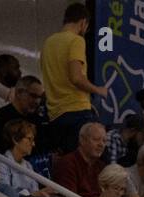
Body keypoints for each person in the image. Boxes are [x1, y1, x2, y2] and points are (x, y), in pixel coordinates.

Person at [40, 2, 105, 154]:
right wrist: (98, 90)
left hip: (55, 114)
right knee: (86, 161)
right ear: (83, 23)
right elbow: (76, 77)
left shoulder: (48, 42)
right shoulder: (76, 40)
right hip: (76, 111)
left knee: (66, 163)